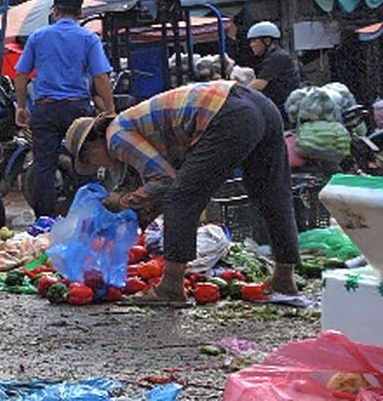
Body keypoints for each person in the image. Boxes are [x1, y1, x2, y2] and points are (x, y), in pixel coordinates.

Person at [65, 81, 300, 306]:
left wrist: (124, 201)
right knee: (272, 193)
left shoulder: (115, 136)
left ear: (92, 145)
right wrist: (149, 203)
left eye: (90, 160)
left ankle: (171, 286)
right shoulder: (132, 124)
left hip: (226, 112)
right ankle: (284, 277)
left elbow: (167, 181)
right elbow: (174, 172)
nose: (99, 166)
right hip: (258, 105)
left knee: (181, 199)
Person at [14, 0, 114, 217]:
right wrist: (109, 110)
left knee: (44, 167)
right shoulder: (89, 38)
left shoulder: (38, 37)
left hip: (45, 108)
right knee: (84, 163)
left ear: (55, 11)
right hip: (77, 109)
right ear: (80, 13)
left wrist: (21, 106)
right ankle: (86, 219)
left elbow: (21, 75)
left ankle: (44, 223)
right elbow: (100, 77)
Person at [245, 21, 302, 123]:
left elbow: (259, 85)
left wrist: (239, 93)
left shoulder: (276, 57)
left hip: (282, 107)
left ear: (267, 40)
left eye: (254, 41)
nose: (251, 45)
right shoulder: (272, 56)